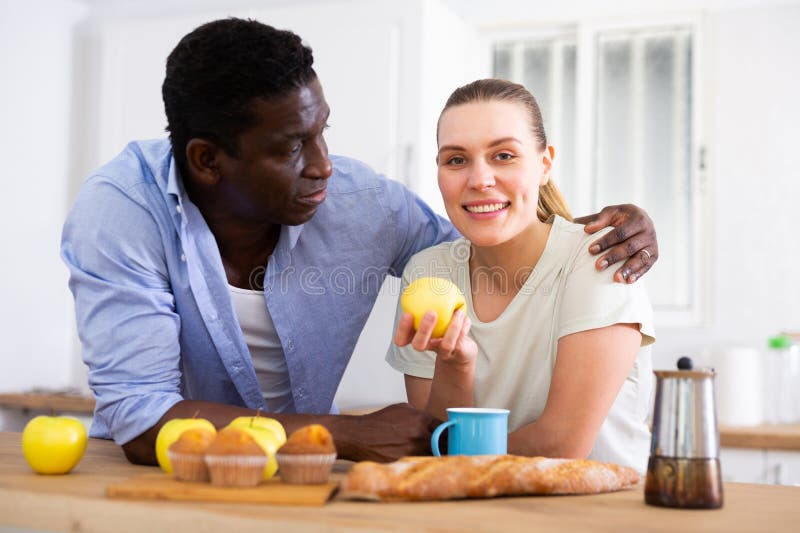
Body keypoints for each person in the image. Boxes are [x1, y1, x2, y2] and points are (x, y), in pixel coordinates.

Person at [61, 19, 658, 465]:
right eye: (293, 147)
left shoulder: (364, 205)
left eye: (323, 133)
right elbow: (141, 419)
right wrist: (342, 433)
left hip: (306, 477)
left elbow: (487, 240)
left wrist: (605, 231)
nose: (325, 167)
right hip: (168, 474)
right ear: (208, 161)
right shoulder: (121, 213)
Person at [388, 79, 656, 471]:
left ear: (544, 164)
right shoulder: (429, 272)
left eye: (503, 155)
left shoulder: (598, 259)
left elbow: (561, 445)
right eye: (457, 160)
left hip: (597, 516)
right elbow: (438, 437)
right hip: (481, 511)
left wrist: (453, 458)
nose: (479, 180)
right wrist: (455, 365)